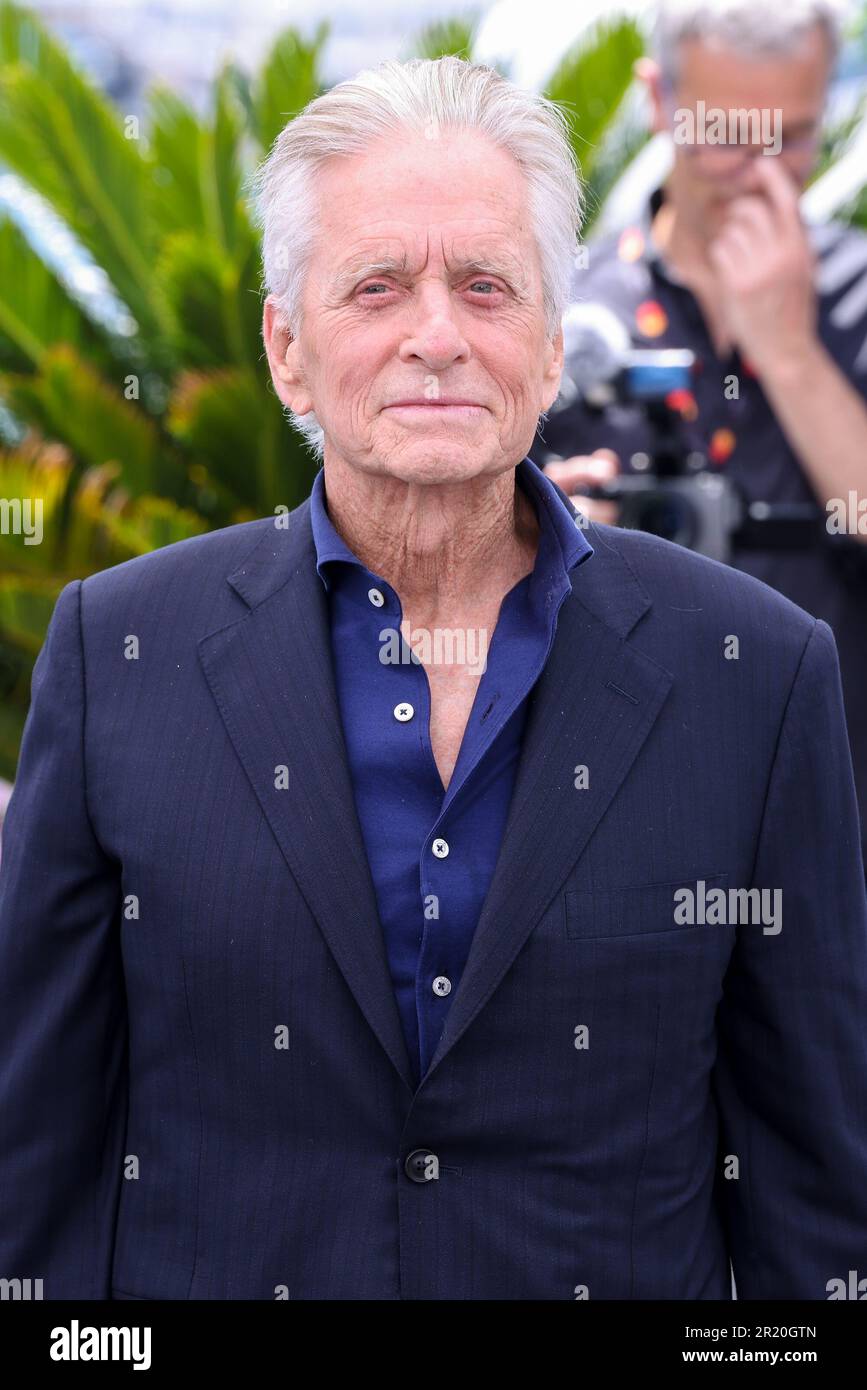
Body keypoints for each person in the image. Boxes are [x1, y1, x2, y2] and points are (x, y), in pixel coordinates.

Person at [0, 54, 865, 1302]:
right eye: (376, 286)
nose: (439, 336)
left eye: (486, 285)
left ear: (552, 343)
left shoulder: (760, 674)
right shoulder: (116, 650)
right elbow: (41, 1155)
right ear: (287, 350)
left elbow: (813, 1183)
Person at [540, 0, 867, 873]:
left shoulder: (856, 292)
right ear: (658, 100)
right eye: (726, 134)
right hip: (621, 830)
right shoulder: (566, 315)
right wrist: (540, 526)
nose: (759, 173)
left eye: (792, 138)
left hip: (837, 822)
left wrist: (789, 350)